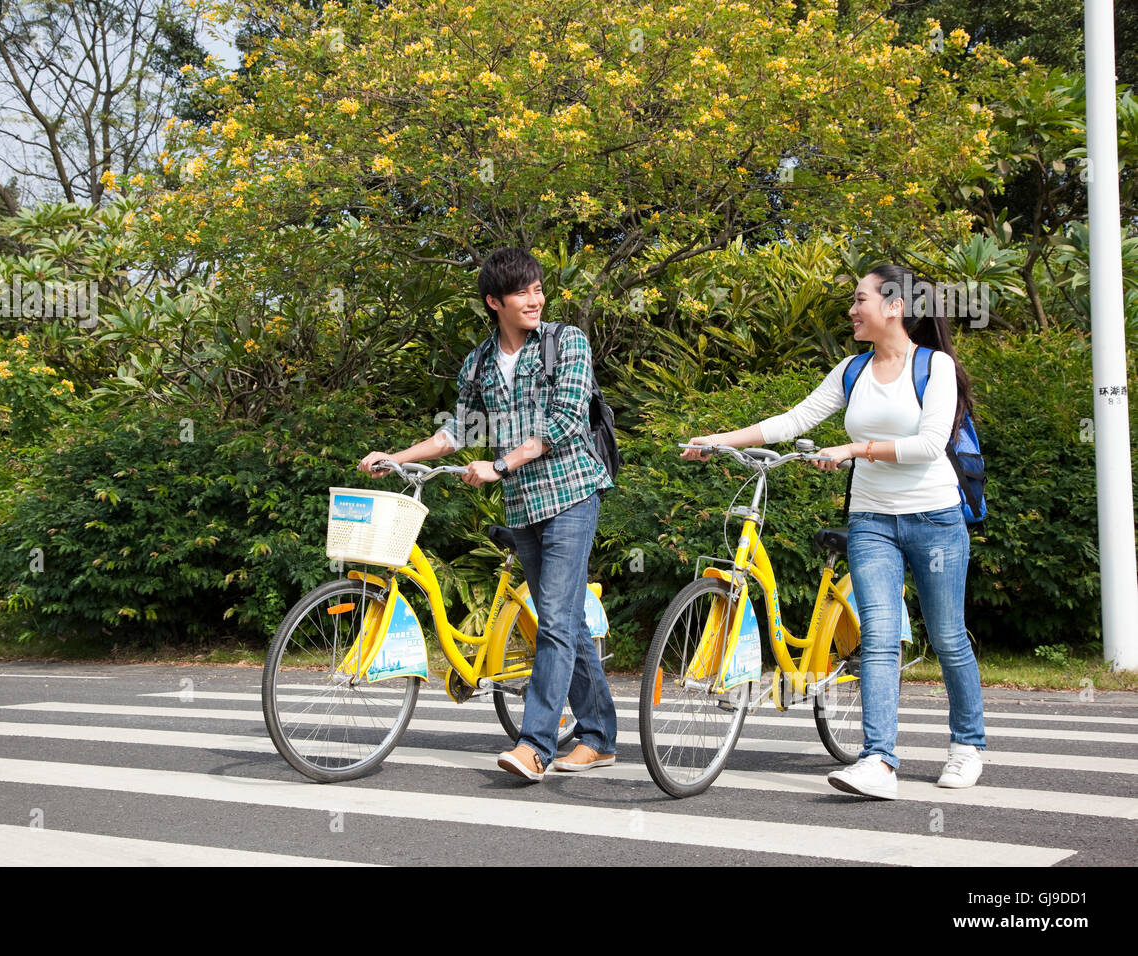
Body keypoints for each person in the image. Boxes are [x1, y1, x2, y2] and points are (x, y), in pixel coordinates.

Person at [683, 264, 987, 800]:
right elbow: (793, 421)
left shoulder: (933, 366)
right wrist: (718, 439)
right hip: (871, 521)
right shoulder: (852, 370)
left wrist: (853, 449)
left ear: (894, 305)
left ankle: (967, 744)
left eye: (860, 299)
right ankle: (879, 760)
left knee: (947, 637)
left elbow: (929, 444)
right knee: (878, 638)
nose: (852, 310)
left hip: (935, 518)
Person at [358, 247, 619, 782]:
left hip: (572, 495)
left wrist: (501, 464)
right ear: (494, 302)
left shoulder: (566, 342)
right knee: (565, 621)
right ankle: (598, 736)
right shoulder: (478, 363)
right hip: (523, 506)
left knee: (554, 623)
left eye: (539, 289)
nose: (535, 299)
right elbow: (457, 432)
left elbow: (565, 421)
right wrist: (397, 457)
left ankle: (535, 745)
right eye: (523, 292)